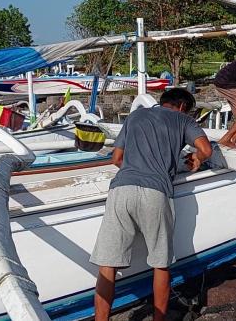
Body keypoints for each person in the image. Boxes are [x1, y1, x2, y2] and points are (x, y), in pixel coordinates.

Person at [91, 88, 213, 321]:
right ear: (182, 107)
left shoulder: (135, 116)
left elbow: (116, 159)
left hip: (121, 190)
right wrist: (196, 158)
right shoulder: (183, 119)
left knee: (107, 266)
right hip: (156, 192)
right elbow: (206, 149)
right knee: (160, 263)